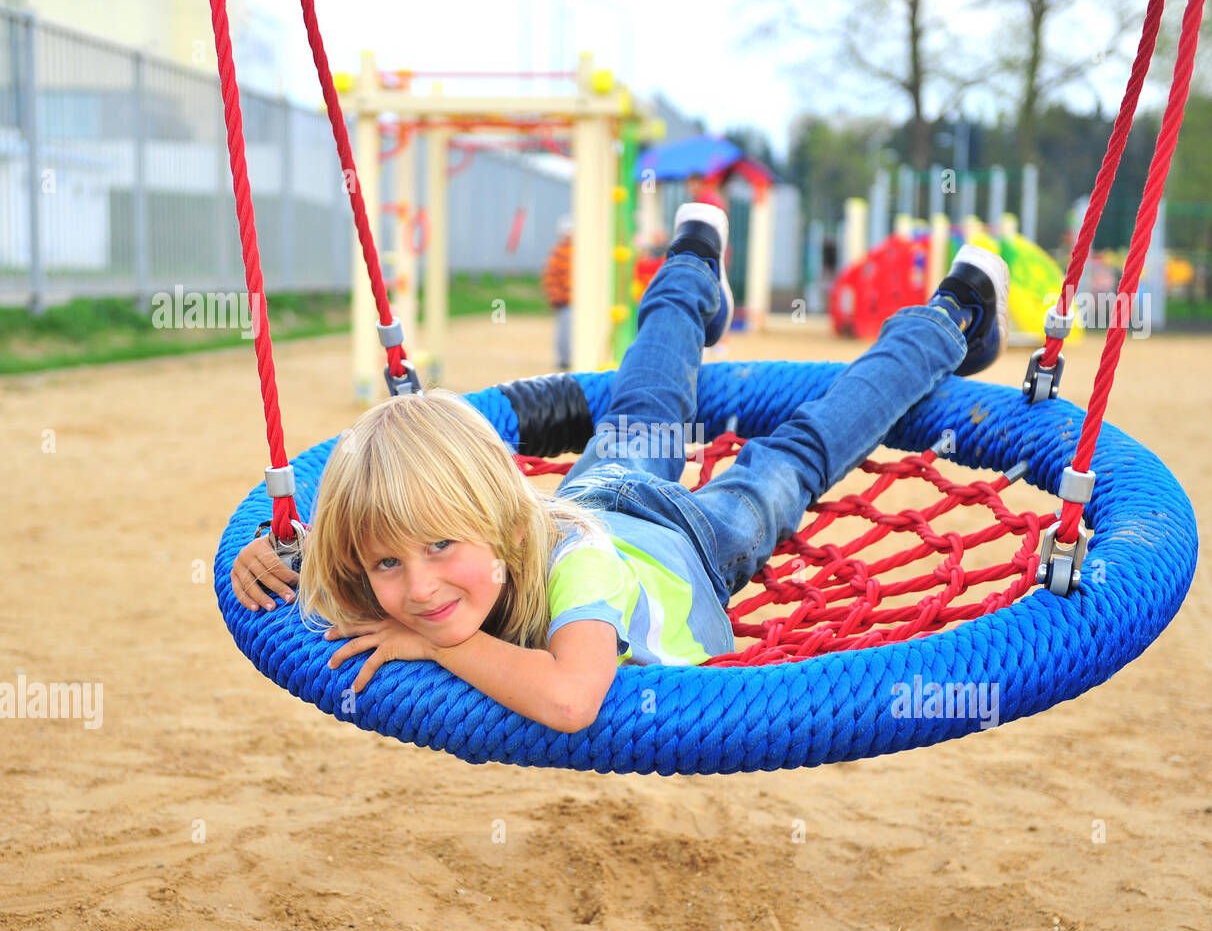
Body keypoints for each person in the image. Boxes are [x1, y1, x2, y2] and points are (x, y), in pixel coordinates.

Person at [229, 203, 1009, 735]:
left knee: (796, 455)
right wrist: (281, 557)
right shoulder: (412, 572)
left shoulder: (581, 577)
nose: (421, 589)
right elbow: (329, 582)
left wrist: (440, 647)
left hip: (690, 545)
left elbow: (572, 700)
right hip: (596, 494)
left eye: (440, 548)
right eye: (389, 564)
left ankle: (951, 317)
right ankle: (694, 258)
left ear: (499, 527)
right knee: (648, 395)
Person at [541, 214, 573, 370]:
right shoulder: (565, 252)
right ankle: (565, 359)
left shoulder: (558, 251)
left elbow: (550, 276)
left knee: (564, 329)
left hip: (564, 298)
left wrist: (554, 295)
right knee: (566, 330)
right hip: (567, 298)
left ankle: (565, 358)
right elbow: (553, 276)